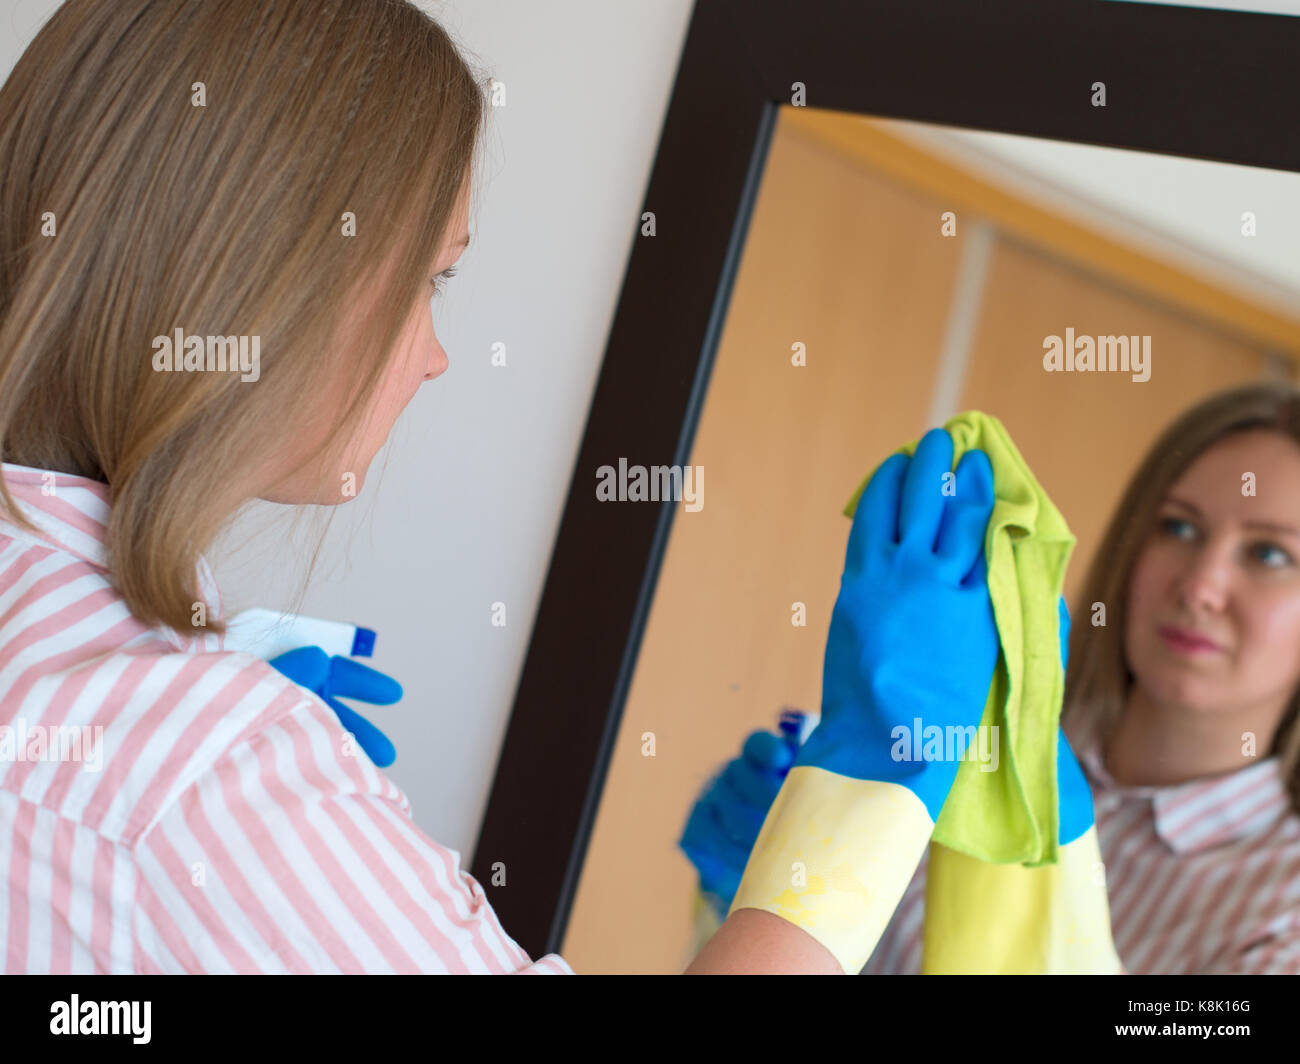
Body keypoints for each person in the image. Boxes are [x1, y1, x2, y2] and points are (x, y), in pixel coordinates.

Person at [0, 0, 995, 975]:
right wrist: (863, 785)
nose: (434, 356)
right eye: (433, 281)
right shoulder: (209, 769)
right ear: (269, 272)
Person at [684, 382, 1300, 974]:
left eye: (1269, 553)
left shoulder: (1285, 907)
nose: (1200, 587)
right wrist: (769, 878)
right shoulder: (957, 750)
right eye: (1179, 528)